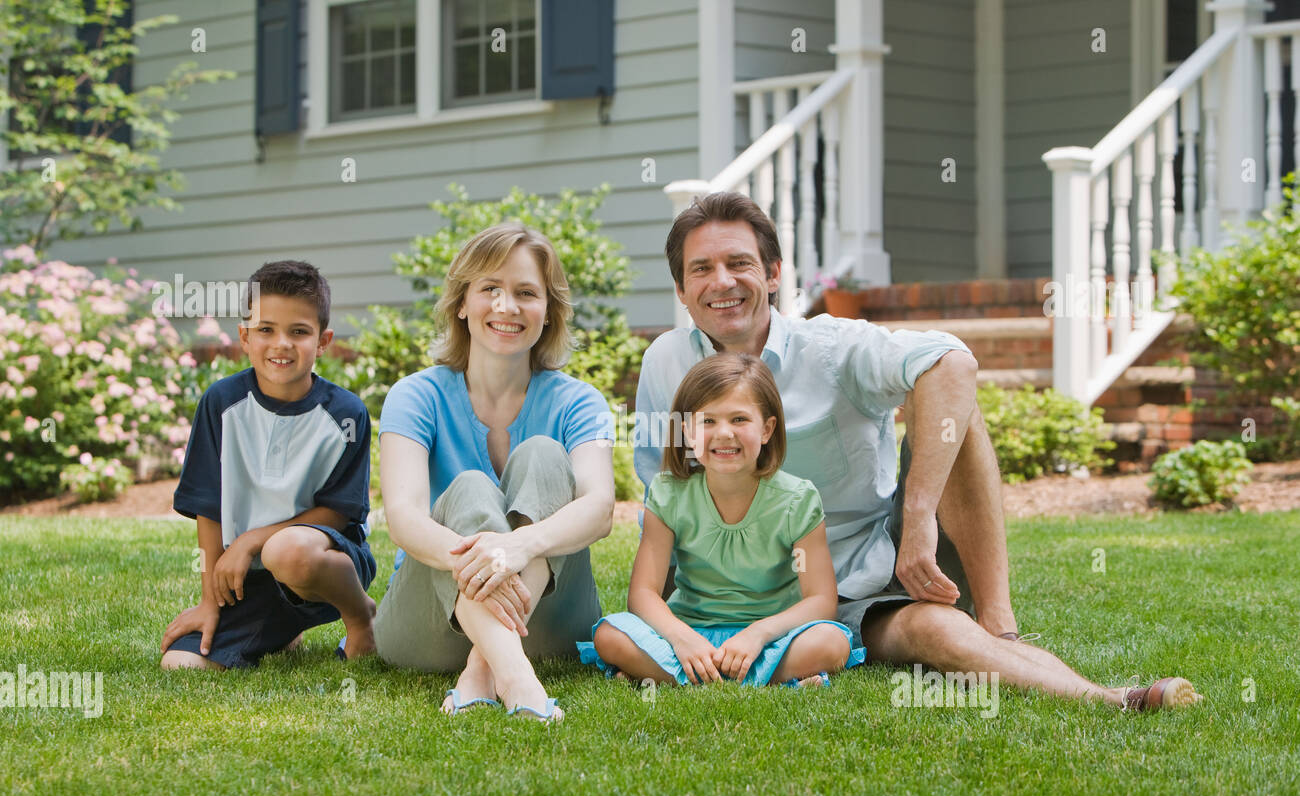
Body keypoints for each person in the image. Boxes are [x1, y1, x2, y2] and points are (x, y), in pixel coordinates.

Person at [633, 192, 1200, 712]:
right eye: (700, 269)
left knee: (959, 407)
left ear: (775, 274)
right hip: (745, 609)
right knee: (935, 633)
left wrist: (918, 517)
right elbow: (666, 494)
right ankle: (1106, 695)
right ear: (681, 290)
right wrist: (675, 629)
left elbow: (953, 362)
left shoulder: (832, 347)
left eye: (739, 263)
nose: (721, 282)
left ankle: (1014, 634)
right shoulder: (664, 363)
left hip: (861, 580)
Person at [373, 223, 615, 723]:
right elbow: (402, 517)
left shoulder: (578, 402)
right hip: (430, 632)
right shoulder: (415, 396)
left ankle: (482, 671)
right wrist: (483, 558)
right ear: (462, 302)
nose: (506, 307)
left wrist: (519, 547)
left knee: (544, 455)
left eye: (526, 293)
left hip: (551, 625)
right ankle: (517, 679)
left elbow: (600, 508)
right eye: (490, 289)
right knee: (470, 488)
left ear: (548, 312)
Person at [582, 353, 862, 688]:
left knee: (831, 642)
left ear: (767, 429)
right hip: (689, 632)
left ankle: (688, 676)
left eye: (740, 419)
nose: (724, 433)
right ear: (687, 431)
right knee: (611, 634)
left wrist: (759, 633)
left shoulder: (797, 500)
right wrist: (681, 638)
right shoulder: (669, 494)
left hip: (770, 637)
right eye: (708, 421)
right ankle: (754, 676)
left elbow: (821, 600)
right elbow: (643, 593)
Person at [161, 260, 377, 670]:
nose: (281, 344)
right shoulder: (221, 404)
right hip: (254, 580)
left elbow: (338, 512)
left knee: (288, 551)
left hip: (328, 560)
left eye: (299, 332)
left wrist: (250, 541)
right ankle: (282, 628)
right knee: (181, 665)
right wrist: (210, 602)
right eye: (265, 330)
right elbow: (208, 506)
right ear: (244, 337)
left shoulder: (347, 414)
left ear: (323, 340)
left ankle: (361, 620)